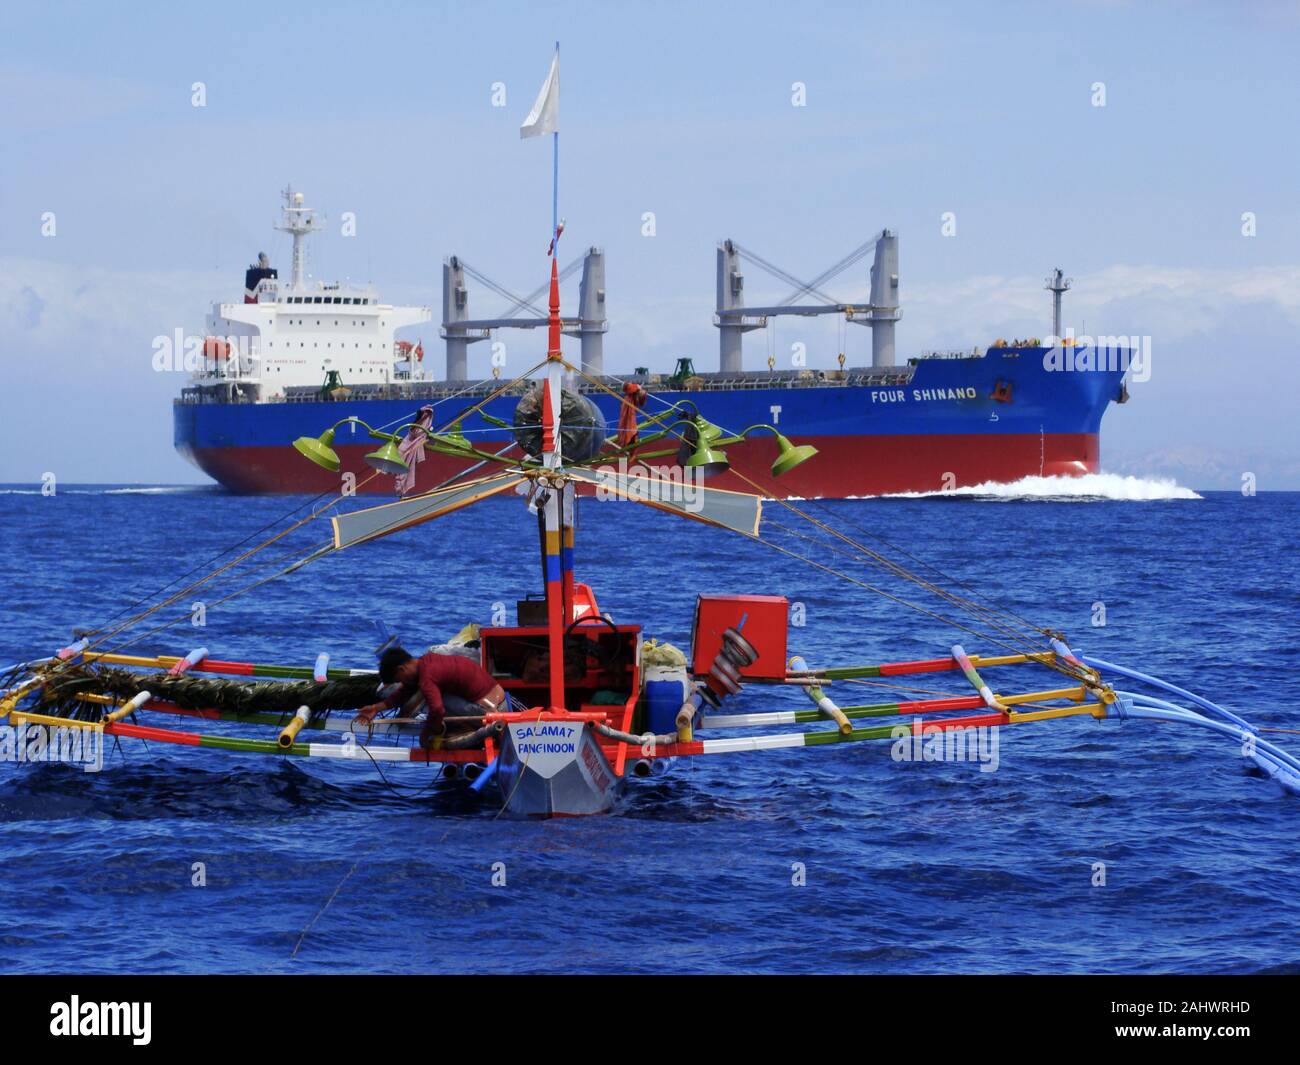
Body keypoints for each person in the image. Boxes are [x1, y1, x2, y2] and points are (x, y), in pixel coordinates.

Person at [356, 647, 507, 748]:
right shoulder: (425, 662)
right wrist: (376, 707)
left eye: (399, 679)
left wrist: (426, 733)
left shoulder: (427, 677)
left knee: (434, 699)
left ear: (402, 669)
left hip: (492, 710)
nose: (401, 683)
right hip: (496, 699)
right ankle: (465, 726)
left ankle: (470, 729)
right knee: (428, 694)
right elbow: (405, 692)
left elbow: (437, 709)